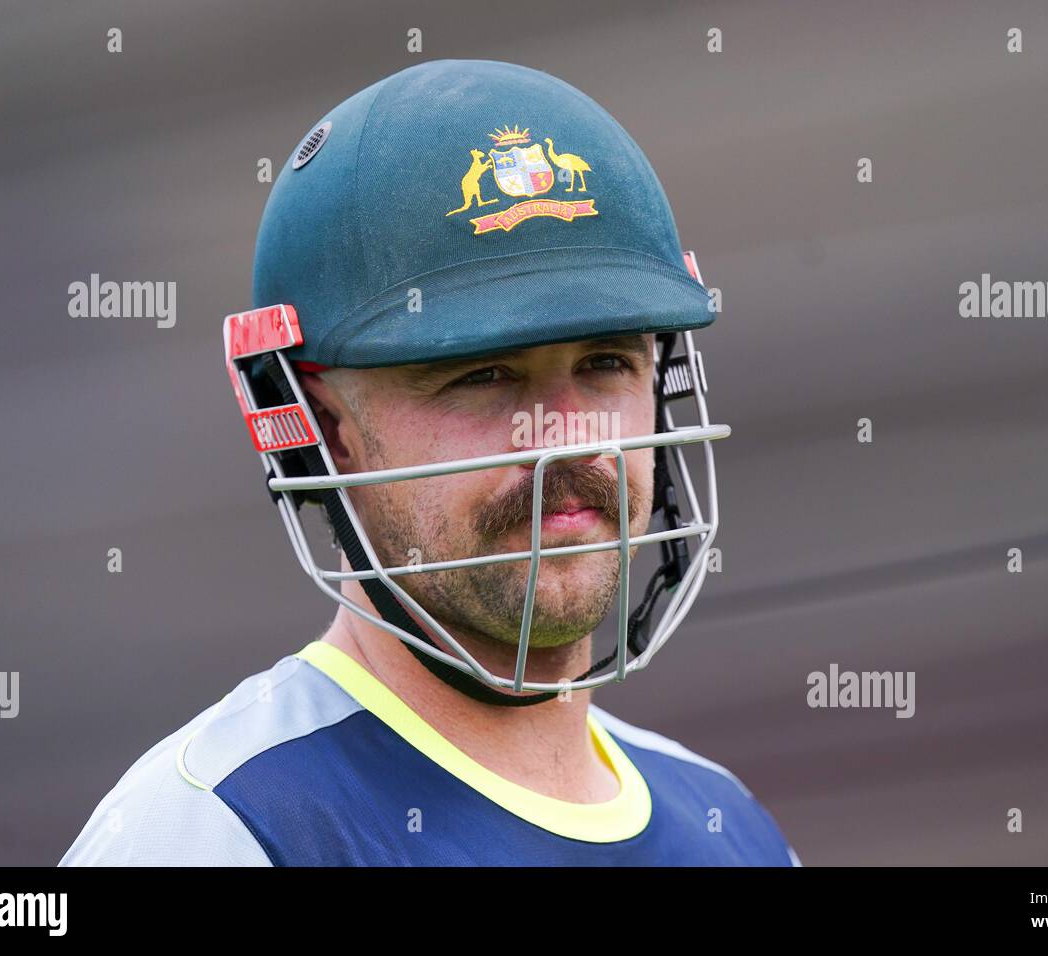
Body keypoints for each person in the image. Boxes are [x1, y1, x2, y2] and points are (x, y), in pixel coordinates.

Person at [61, 59, 798, 866]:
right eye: (482, 375)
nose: (562, 437)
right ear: (327, 430)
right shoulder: (222, 831)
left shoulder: (735, 830)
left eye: (606, 363)